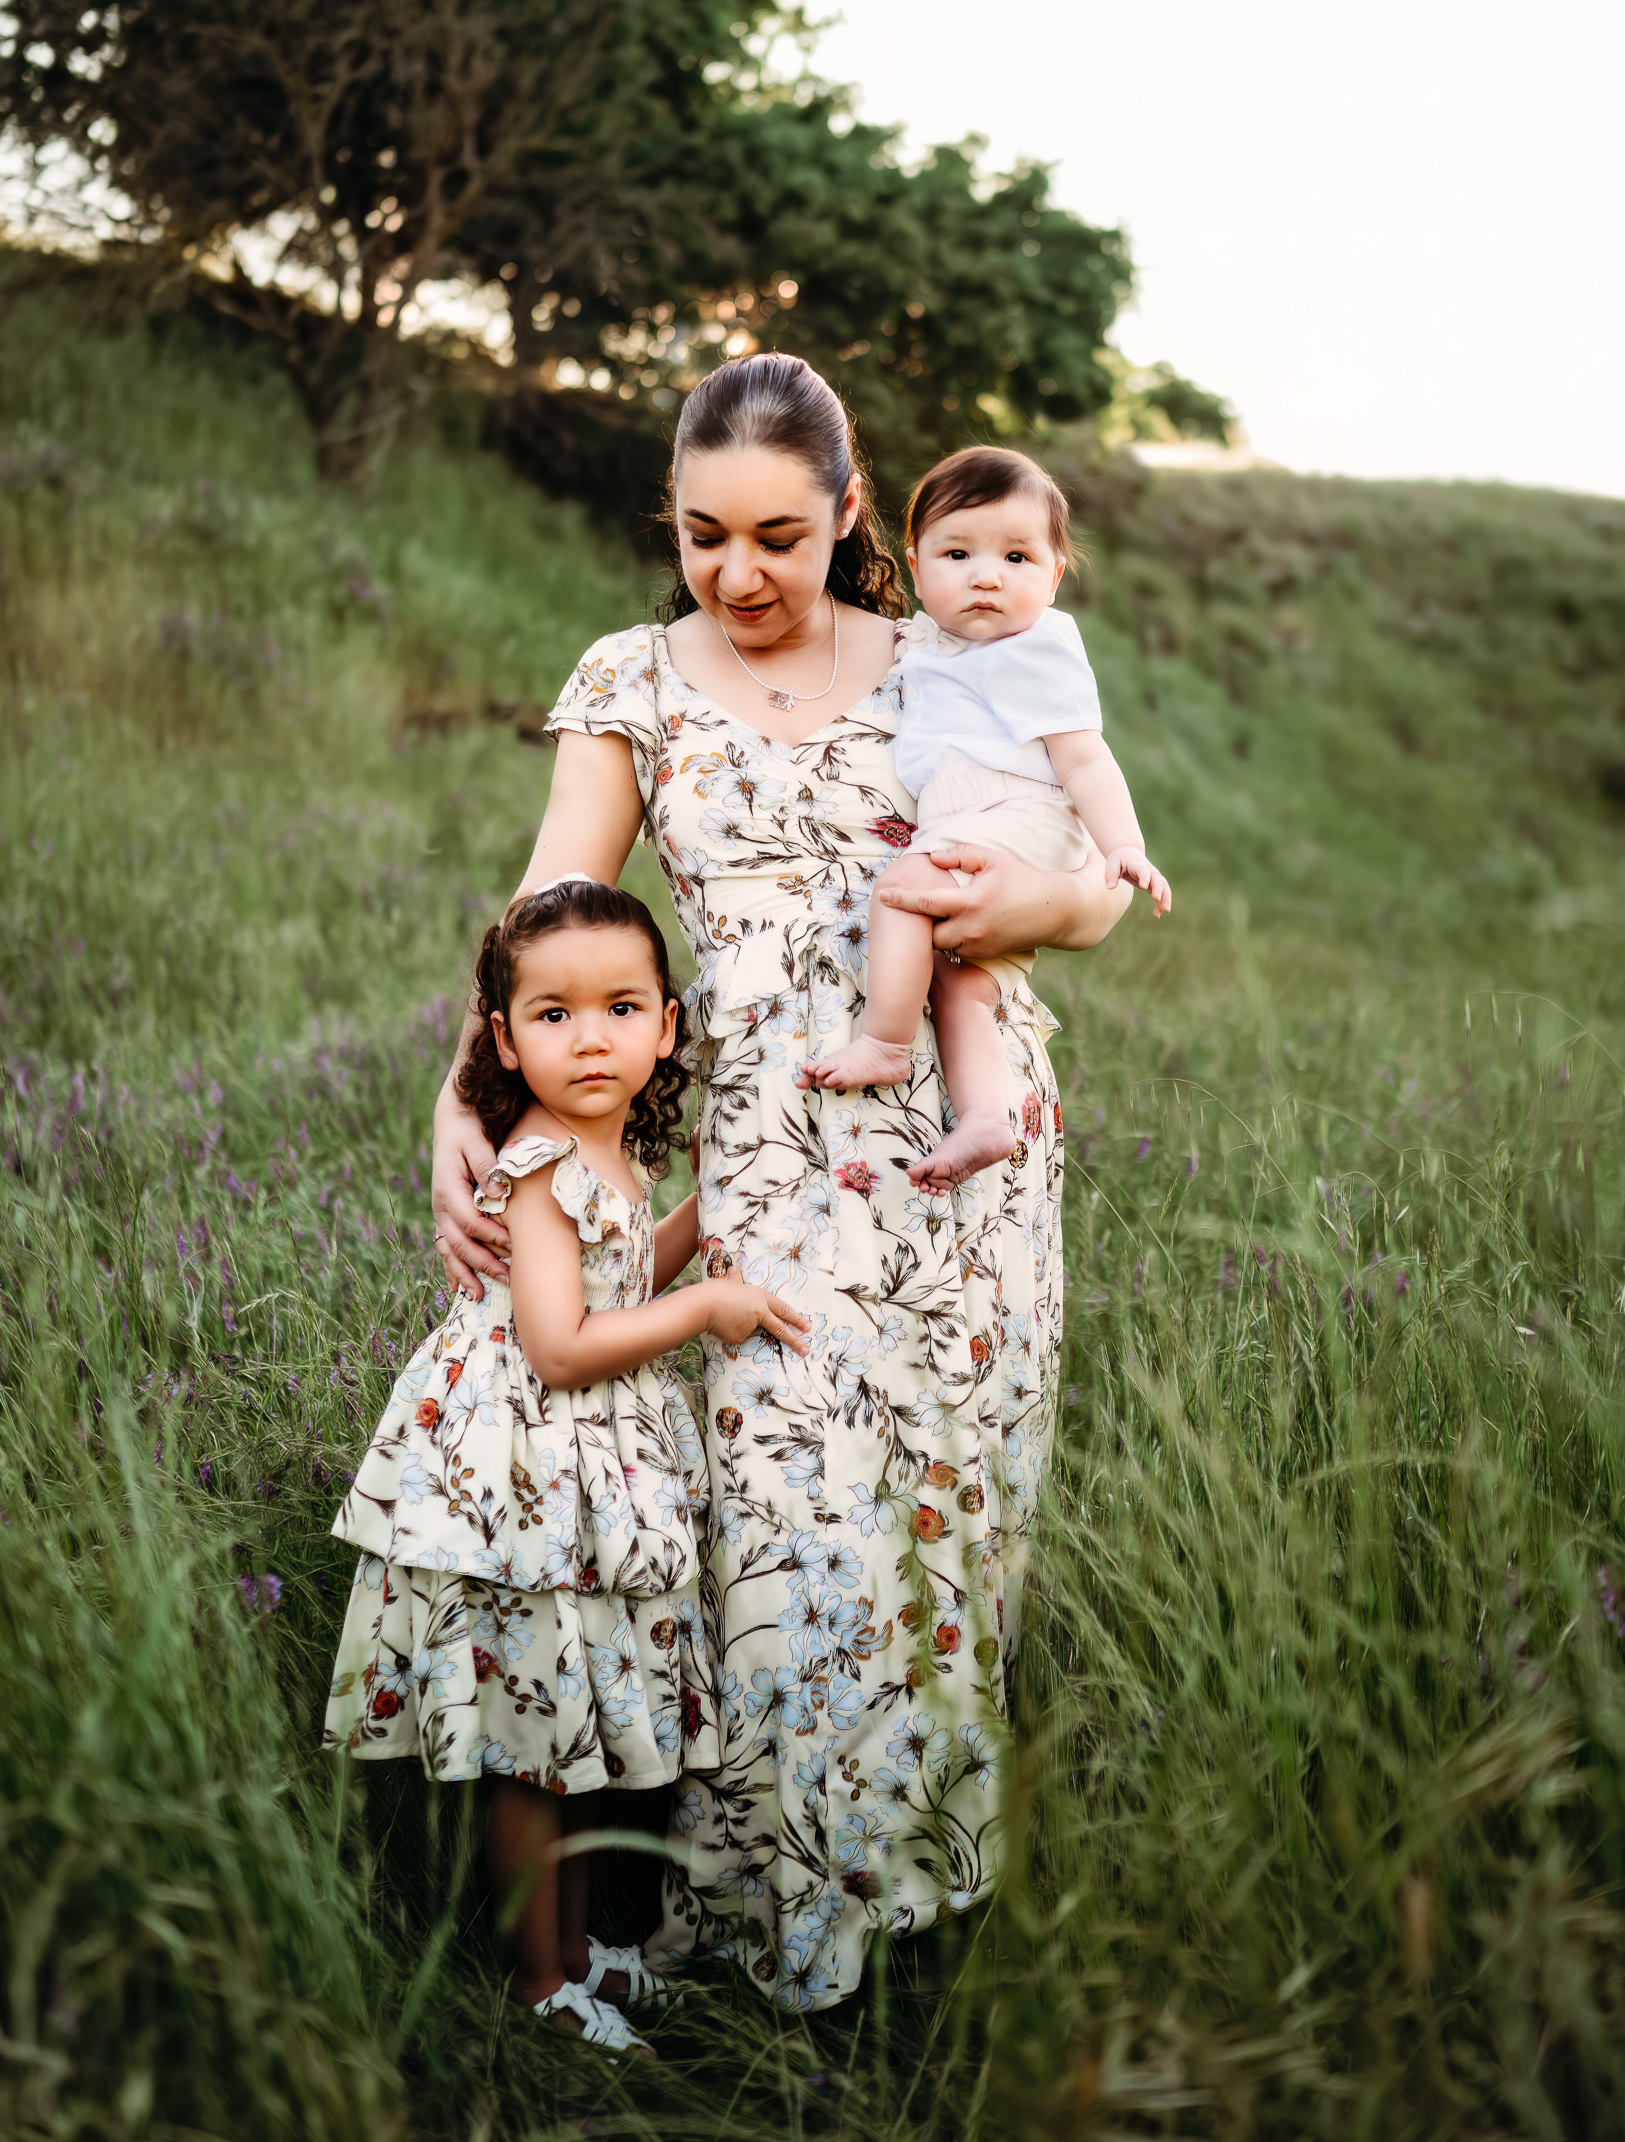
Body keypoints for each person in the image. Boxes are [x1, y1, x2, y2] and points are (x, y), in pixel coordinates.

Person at [430, 353, 1131, 2012]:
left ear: (848, 516)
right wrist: (460, 1101)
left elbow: (1092, 876)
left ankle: (893, 1931)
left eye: (778, 537)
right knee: (780, 1533)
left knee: (938, 1537)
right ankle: (759, 1944)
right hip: (769, 1155)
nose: (737, 574)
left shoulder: (948, 652)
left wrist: (1033, 911)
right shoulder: (634, 679)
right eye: (700, 535)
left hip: (964, 1150)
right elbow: (547, 907)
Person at [323, 878, 809, 2053]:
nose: (589, 1037)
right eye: (551, 1014)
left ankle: (584, 1952)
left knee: (572, 1744)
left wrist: (705, 1212)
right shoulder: (538, 1164)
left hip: (577, 1485)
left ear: (666, 1026)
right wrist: (706, 1309)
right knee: (528, 1755)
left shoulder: (601, 1148)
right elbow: (561, 1340)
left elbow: (619, 1269)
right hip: (519, 1488)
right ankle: (537, 1982)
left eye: (619, 1007)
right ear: (501, 1037)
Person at [798, 447, 1170, 1190]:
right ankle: (983, 1119)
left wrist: (1121, 845)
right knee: (961, 983)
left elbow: (1085, 760)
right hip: (976, 821)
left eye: (1017, 557)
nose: (986, 575)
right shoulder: (930, 646)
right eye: (958, 553)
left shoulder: (1035, 648)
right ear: (914, 565)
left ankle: (884, 1042)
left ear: (1054, 575)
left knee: (903, 887)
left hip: (1012, 813)